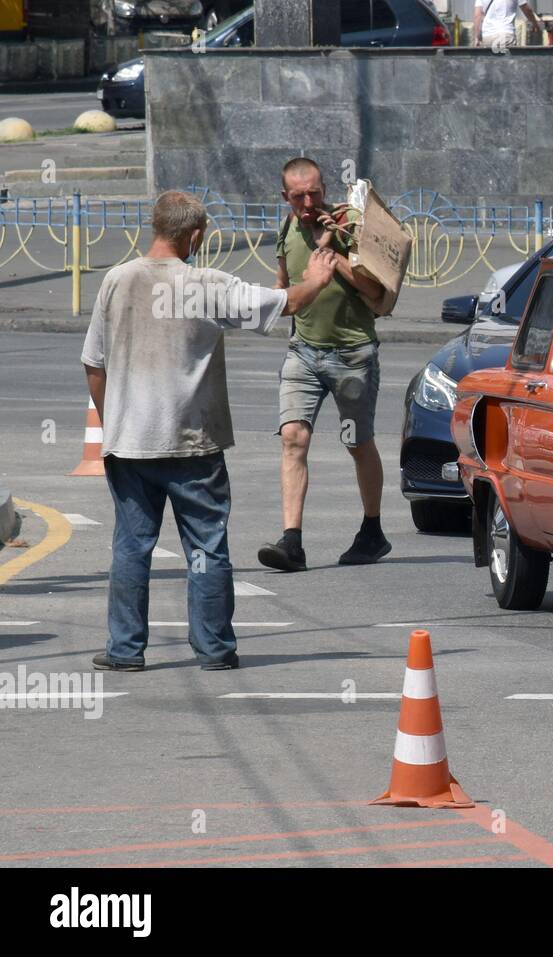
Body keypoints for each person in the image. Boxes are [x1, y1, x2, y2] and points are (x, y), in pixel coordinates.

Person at [81, 190, 337, 672]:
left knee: (132, 547)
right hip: (192, 443)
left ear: (156, 228)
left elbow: (93, 364)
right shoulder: (205, 284)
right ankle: (215, 649)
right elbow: (285, 303)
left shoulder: (116, 280)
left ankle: (125, 649)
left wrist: (112, 416)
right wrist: (317, 277)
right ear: (195, 235)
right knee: (205, 547)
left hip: (129, 443)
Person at [258, 157, 391, 573]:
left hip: (353, 356)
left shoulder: (349, 224)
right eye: (299, 196)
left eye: (314, 191)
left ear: (324, 187)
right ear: (286, 197)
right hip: (304, 351)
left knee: (356, 442)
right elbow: (283, 288)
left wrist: (333, 251)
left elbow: (376, 293)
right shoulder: (287, 229)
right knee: (293, 437)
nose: (309, 200)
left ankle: (372, 531)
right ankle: (291, 542)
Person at [475, 0, 548, 48]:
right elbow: (527, 10)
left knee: (491, 68)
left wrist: (477, 37)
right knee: (507, 68)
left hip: (487, 36)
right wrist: (536, 25)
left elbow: (477, 15)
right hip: (504, 36)